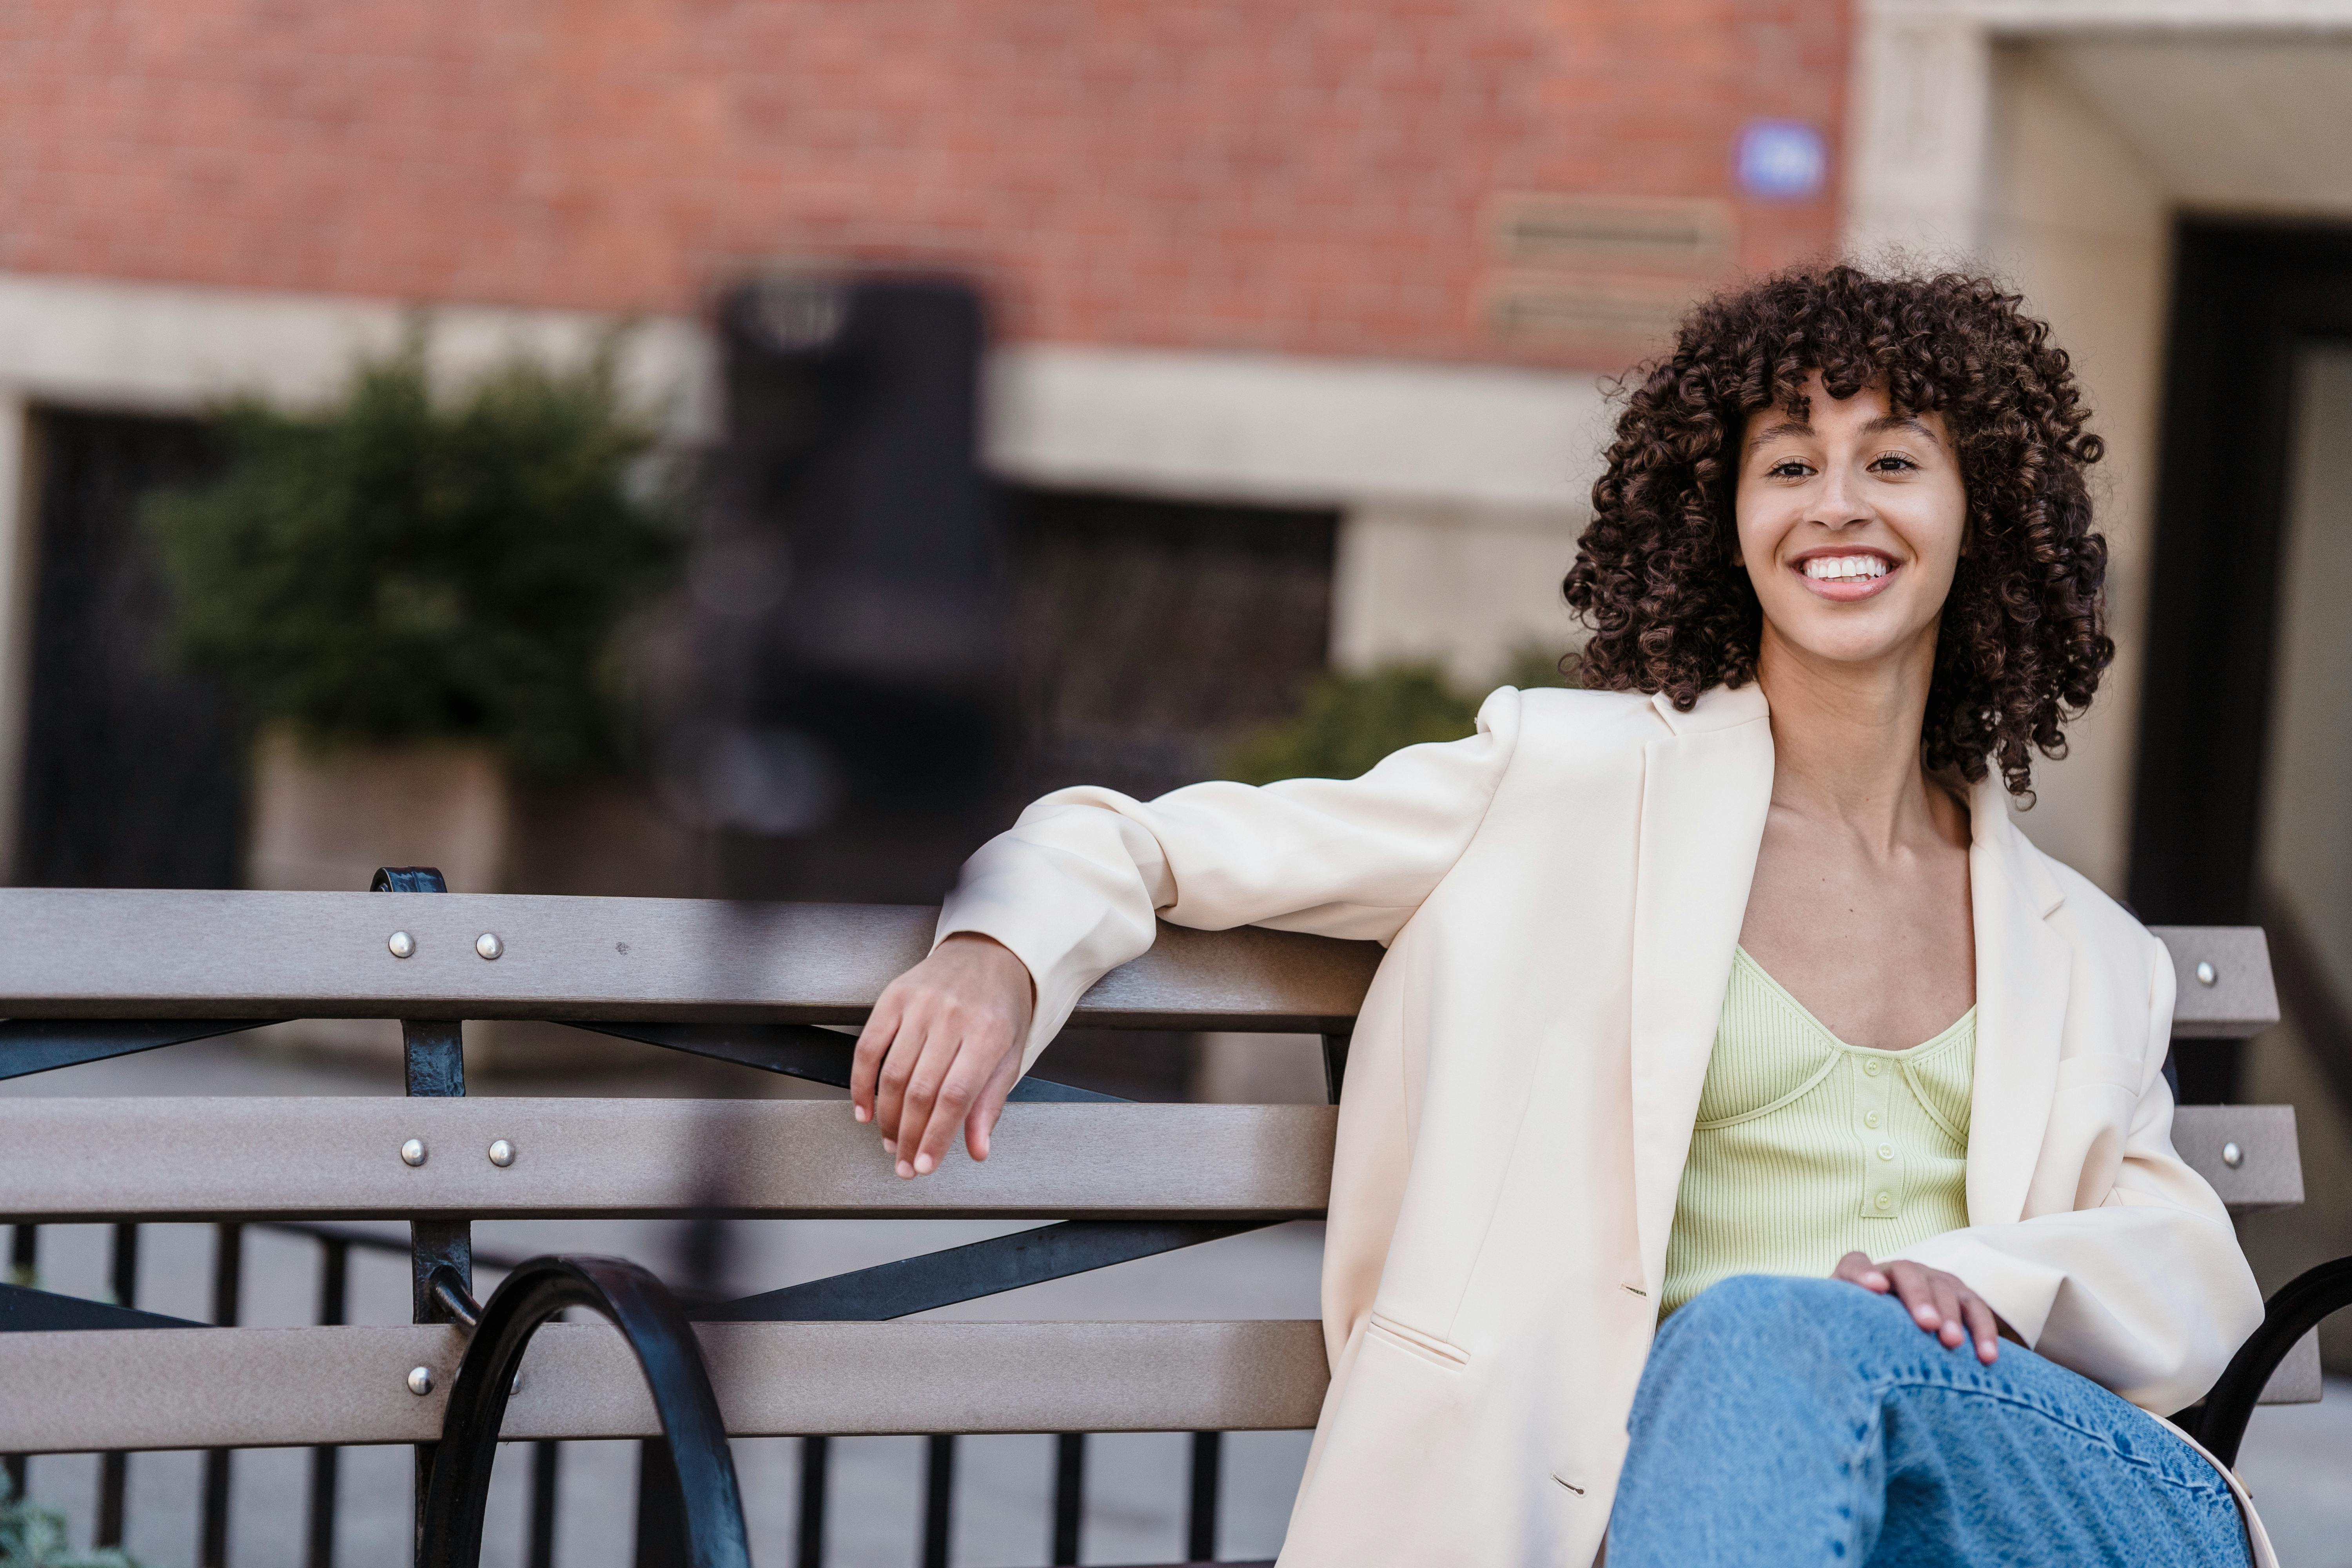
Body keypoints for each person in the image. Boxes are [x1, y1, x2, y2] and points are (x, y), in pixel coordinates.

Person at [847, 267, 2270, 1567]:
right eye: (1789, 466)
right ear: (1727, 523)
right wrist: (997, 953)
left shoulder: (2086, 948)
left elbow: (2190, 1271)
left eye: (1893, 460)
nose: (1837, 503)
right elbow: (1144, 841)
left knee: (1784, 1329)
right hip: (1673, 1506)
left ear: (1986, 516)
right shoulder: (1560, 783)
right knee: (1756, 1344)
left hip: (2023, 1491)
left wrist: (1967, 1282)